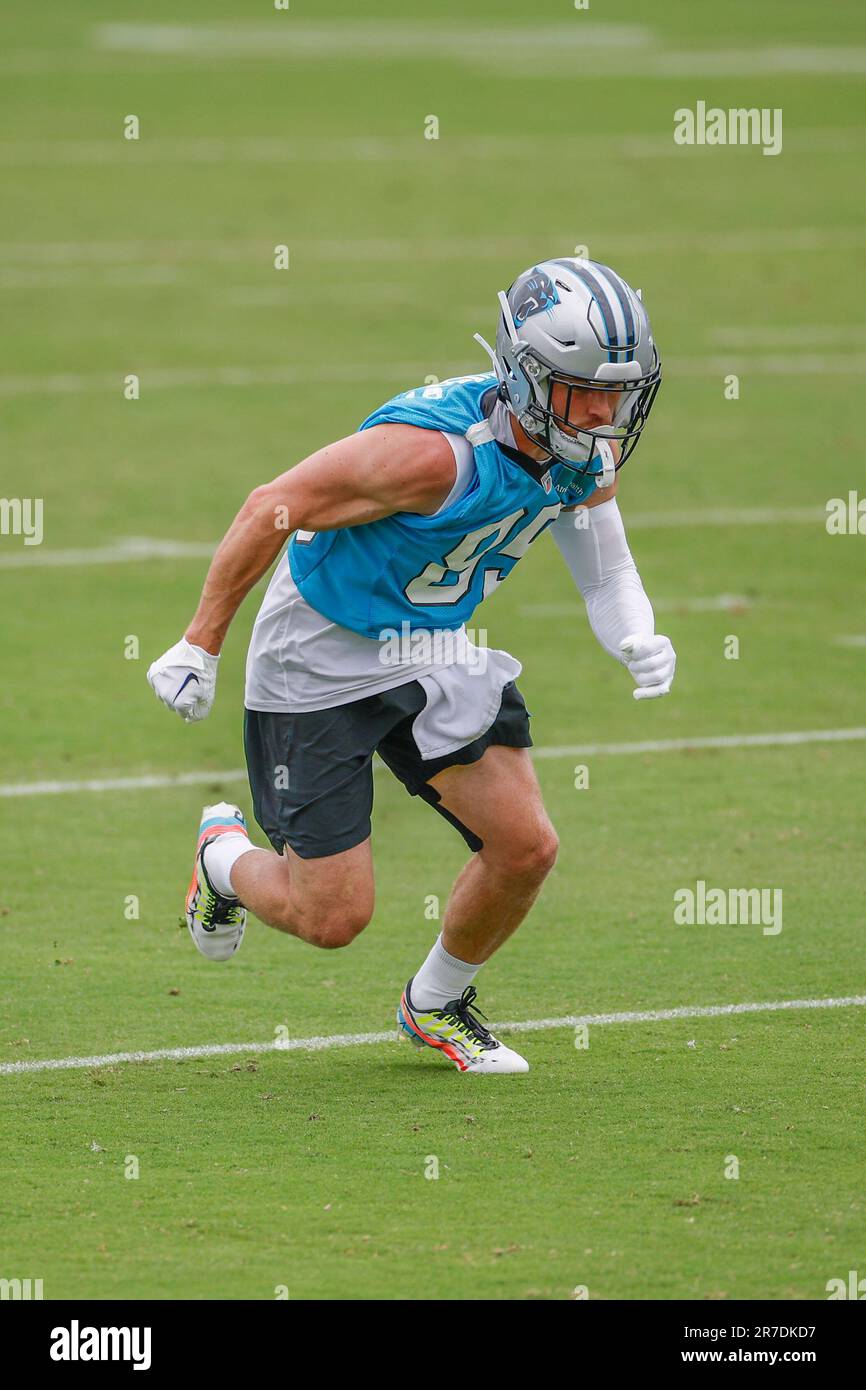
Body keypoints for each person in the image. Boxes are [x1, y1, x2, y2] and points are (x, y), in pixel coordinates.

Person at [147, 257, 675, 1074]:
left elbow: (606, 570)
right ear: (529, 375)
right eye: (584, 390)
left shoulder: (581, 451)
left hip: (430, 647)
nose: (606, 413)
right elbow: (270, 507)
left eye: (619, 392)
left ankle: (436, 1004)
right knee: (332, 918)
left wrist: (635, 634)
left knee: (526, 847)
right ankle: (221, 857)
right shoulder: (432, 455)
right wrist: (199, 643)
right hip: (318, 656)